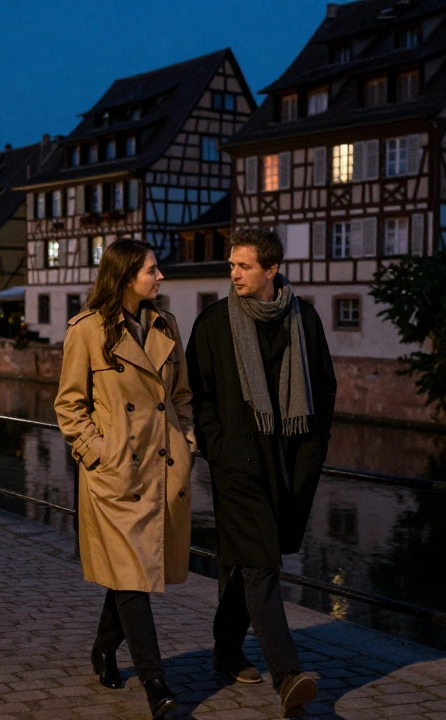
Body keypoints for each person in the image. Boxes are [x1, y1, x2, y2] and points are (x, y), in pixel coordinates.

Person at [185, 227, 337, 717]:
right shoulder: (213, 324)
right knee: (263, 564)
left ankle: (225, 648)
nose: (233, 274)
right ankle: (288, 675)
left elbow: (326, 390)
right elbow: (197, 396)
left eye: (243, 266)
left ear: (271, 270)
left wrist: (314, 449)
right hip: (238, 465)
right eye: (231, 265)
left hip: (290, 464)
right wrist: (220, 447)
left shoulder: (303, 320)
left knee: (247, 562)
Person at [54, 238, 195, 719]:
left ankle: (102, 647)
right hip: (115, 475)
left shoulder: (166, 324)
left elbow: (181, 397)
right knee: (134, 575)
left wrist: (187, 442)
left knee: (130, 571)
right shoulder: (88, 331)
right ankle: (157, 685)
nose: (160, 278)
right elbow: (69, 406)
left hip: (160, 466)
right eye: (153, 271)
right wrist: (99, 454)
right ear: (126, 276)